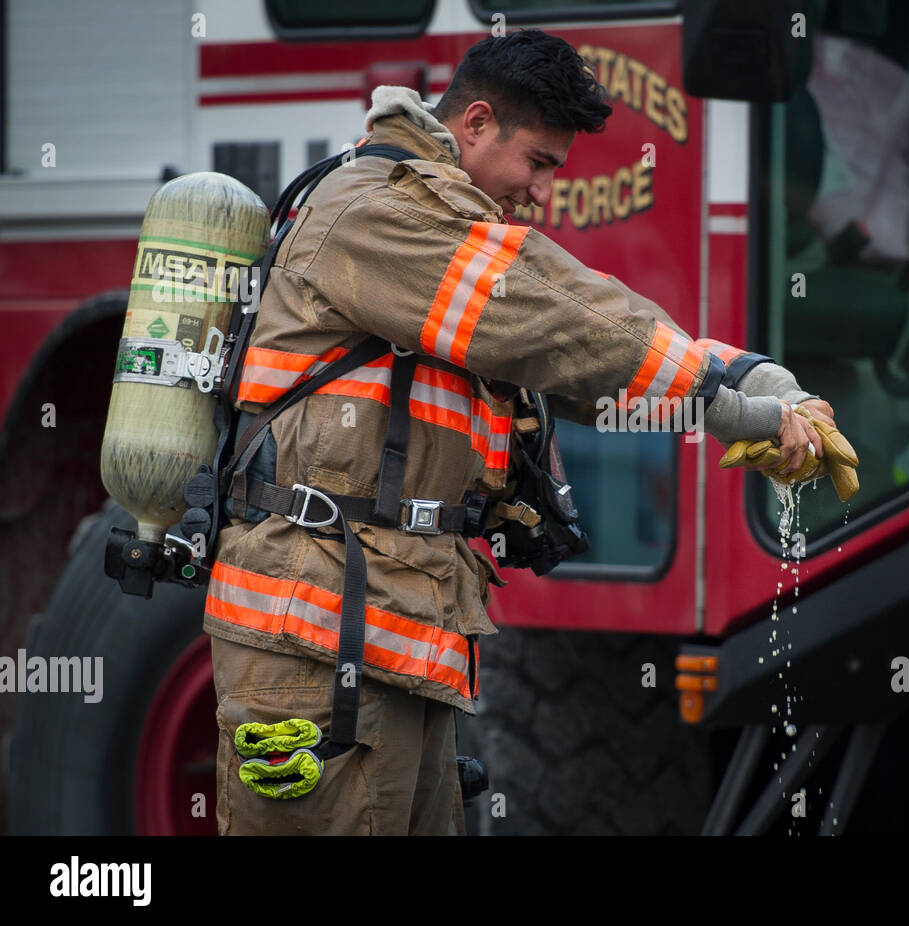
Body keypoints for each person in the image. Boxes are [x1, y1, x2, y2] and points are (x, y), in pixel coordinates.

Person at [203, 28, 838, 836]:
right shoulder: (382, 213)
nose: (541, 190)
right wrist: (736, 402)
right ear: (473, 123)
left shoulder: (441, 229)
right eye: (538, 161)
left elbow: (578, 346)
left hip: (388, 635)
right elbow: (556, 320)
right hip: (315, 646)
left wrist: (749, 377)